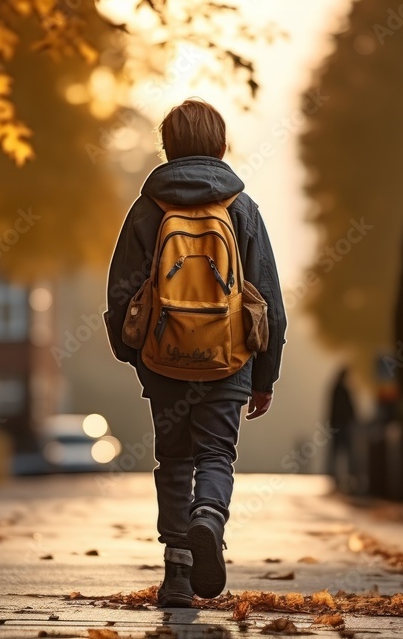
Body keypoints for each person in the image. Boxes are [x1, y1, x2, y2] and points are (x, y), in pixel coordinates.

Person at [104, 99, 287, 606]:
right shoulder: (241, 207)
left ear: (168, 146)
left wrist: (132, 351)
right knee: (215, 455)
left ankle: (178, 577)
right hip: (228, 359)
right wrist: (265, 374)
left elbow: (121, 290)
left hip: (165, 359)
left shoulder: (147, 208)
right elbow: (268, 296)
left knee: (174, 459)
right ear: (220, 144)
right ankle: (209, 518)